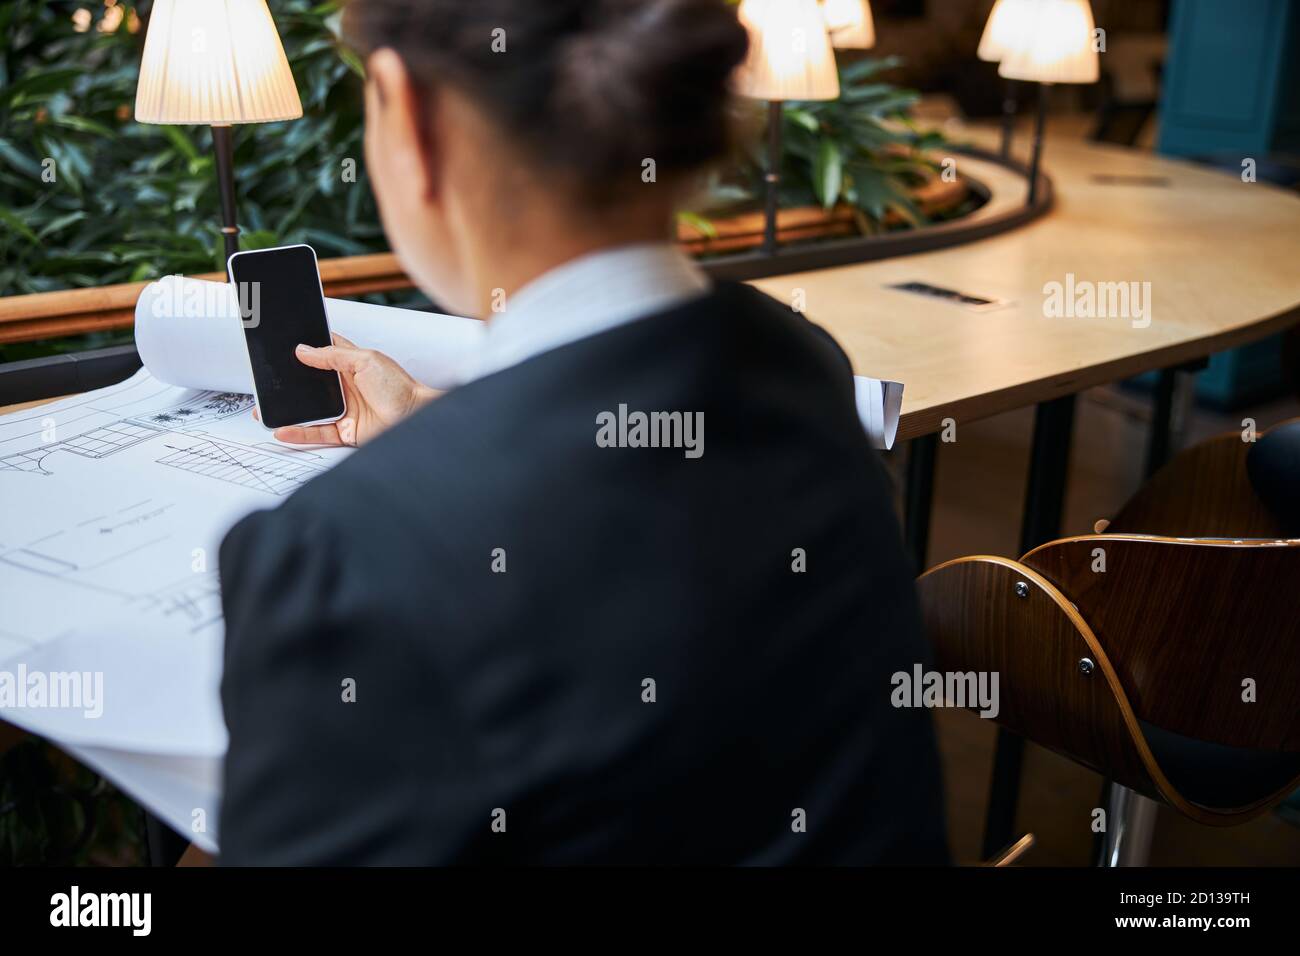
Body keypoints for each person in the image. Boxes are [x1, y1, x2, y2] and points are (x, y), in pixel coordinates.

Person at [217, 0, 949, 865]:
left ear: (405, 112)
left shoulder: (339, 562)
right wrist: (429, 430)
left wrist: (433, 480)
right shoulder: (802, 364)